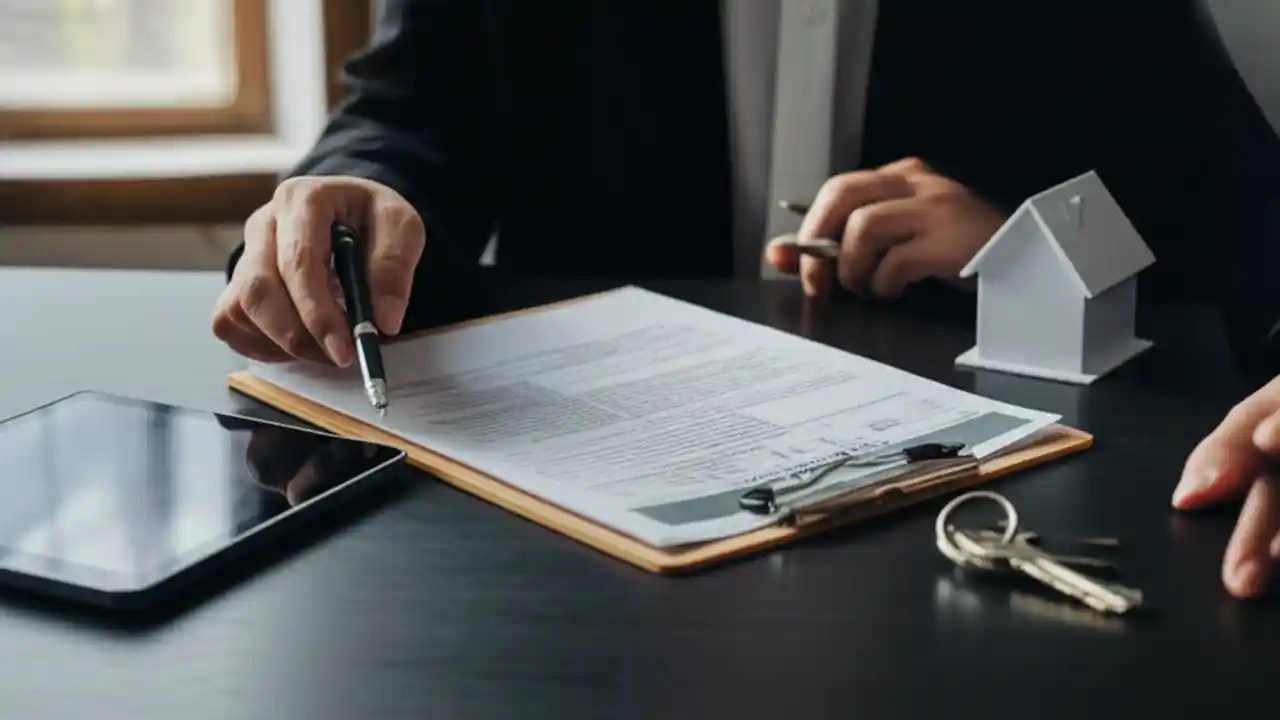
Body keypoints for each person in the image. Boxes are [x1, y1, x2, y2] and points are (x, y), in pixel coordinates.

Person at [213, 1, 1280, 597]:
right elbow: (408, 116)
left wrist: (1022, 228)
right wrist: (363, 193)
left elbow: (1242, 206)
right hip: (568, 543)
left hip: (968, 515)